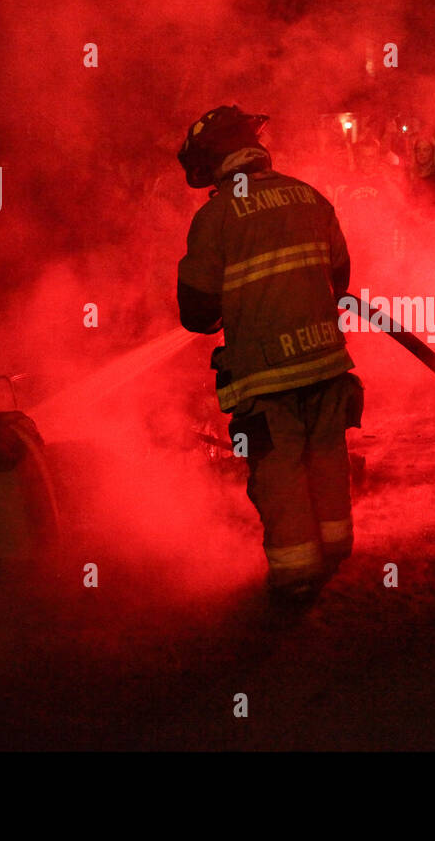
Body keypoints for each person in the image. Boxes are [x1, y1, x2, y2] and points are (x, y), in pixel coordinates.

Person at [175, 105, 363, 603]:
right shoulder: (309, 196)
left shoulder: (215, 217)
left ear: (213, 159)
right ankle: (337, 549)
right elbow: (340, 278)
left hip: (265, 374)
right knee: (325, 455)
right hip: (325, 363)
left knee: (278, 472)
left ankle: (295, 575)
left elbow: (195, 312)